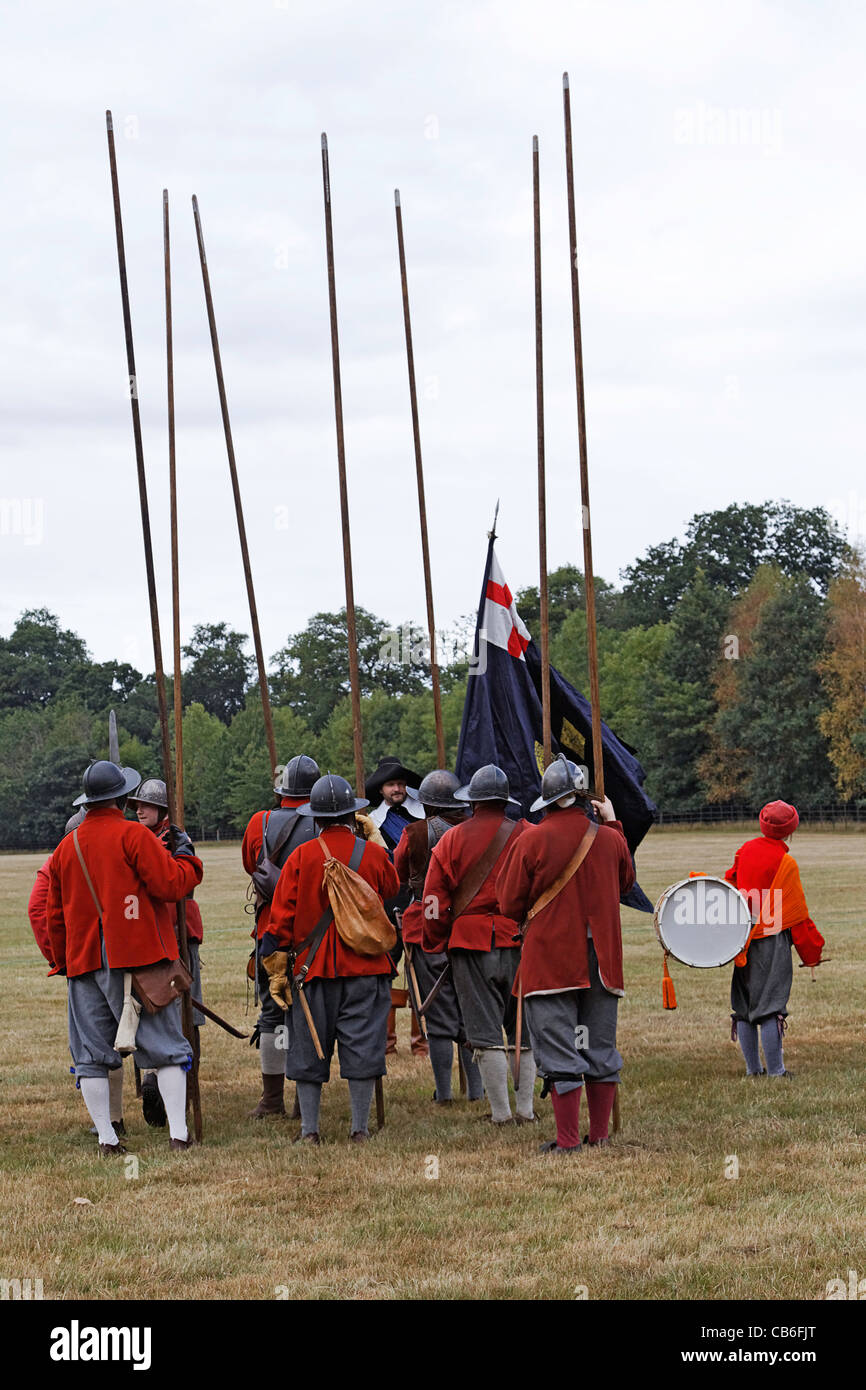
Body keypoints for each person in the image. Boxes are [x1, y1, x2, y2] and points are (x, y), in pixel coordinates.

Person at [46, 760, 203, 1154]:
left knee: (91, 1054)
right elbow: (171, 884)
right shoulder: (134, 835)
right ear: (119, 798)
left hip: (82, 961)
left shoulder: (67, 847)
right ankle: (179, 1136)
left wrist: (63, 960)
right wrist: (188, 861)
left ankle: (108, 1138)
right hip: (137, 954)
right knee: (165, 1044)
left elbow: (52, 915)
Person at [497, 756, 635, 1155]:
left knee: (560, 1046)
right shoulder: (610, 839)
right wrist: (611, 823)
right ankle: (601, 1136)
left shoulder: (532, 839)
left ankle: (569, 1141)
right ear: (582, 798)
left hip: (552, 959)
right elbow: (627, 882)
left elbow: (508, 903)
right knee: (596, 1044)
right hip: (601, 962)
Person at [261, 773, 399, 1144]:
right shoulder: (371, 854)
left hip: (312, 972)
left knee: (308, 1051)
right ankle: (359, 1129)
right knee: (364, 1047)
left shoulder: (300, 858)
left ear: (316, 818)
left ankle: (310, 1131)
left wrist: (275, 965)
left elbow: (281, 920)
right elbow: (391, 886)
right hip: (366, 970)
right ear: (354, 817)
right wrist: (376, 840)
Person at [421, 764, 536, 1125]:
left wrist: (437, 941)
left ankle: (501, 1114)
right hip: (521, 940)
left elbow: (433, 903)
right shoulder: (529, 834)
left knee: (485, 1034)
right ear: (505, 801)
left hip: (470, 945)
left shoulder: (451, 840)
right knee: (523, 1030)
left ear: (472, 802)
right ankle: (526, 1110)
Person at [28, 808, 127, 1135]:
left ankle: (113, 1122)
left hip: (84, 961)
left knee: (98, 1042)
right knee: (131, 1030)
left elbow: (38, 910)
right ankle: (120, 1114)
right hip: (125, 957)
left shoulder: (61, 860)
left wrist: (61, 960)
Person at [393, 770, 483, 1104]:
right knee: (472, 1009)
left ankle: (444, 1093)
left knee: (439, 1014)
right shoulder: (474, 831)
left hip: (424, 927)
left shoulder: (414, 833)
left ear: (427, 803)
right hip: (468, 927)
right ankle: (477, 1091)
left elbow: (398, 873)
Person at [241, 755, 320, 1117]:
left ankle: (272, 1099)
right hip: (315, 936)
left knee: (273, 1014)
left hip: (271, 934)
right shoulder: (326, 822)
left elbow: (251, 865)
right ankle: (302, 1103)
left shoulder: (260, 822)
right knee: (306, 1014)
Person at [724, 800, 825, 1079]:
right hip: (771, 939)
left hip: (741, 937)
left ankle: (752, 1069)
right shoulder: (786, 862)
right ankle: (776, 1071)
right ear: (791, 830)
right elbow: (797, 915)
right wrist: (812, 951)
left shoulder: (745, 850)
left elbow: (729, 884)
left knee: (744, 1007)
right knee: (770, 1006)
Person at [127, 777, 206, 1127]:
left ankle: (186, 1088)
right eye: (136, 805)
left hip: (180, 935)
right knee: (146, 1011)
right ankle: (153, 1081)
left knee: (188, 1016)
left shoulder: (178, 840)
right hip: (148, 936)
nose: (139, 809)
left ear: (162, 809)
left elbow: (181, 883)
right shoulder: (134, 838)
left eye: (145, 804)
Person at [365, 755, 427, 1058]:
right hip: (387, 903)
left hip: (420, 900)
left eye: (401, 783)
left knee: (421, 970)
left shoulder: (422, 815)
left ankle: (421, 1042)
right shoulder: (370, 822)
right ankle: (387, 1042)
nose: (398, 788)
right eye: (391, 784)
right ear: (381, 788)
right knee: (387, 968)